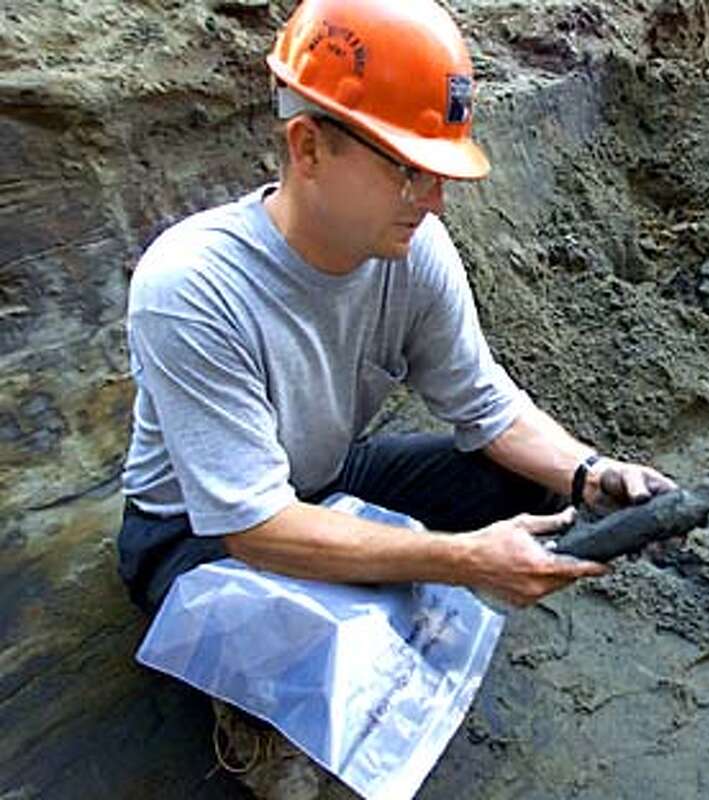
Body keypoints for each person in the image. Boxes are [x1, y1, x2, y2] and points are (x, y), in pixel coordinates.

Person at [116, 0, 676, 617]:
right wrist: (461, 557)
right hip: (196, 533)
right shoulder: (192, 287)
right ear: (308, 147)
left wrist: (590, 474)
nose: (434, 201)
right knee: (298, 638)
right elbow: (255, 526)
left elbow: (485, 404)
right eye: (410, 172)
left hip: (322, 483)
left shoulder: (411, 248)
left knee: (527, 487)